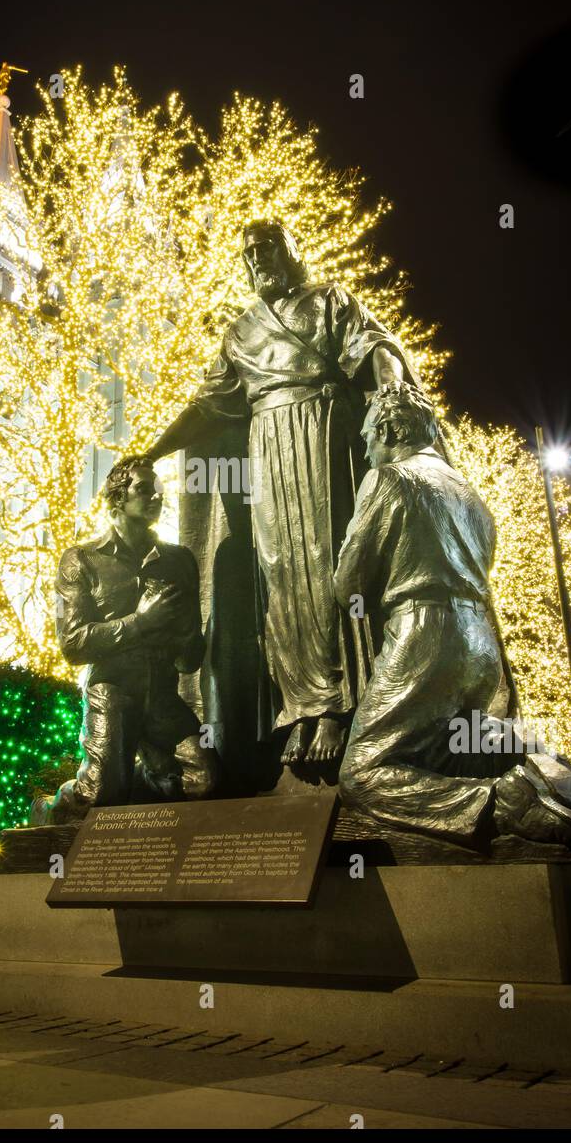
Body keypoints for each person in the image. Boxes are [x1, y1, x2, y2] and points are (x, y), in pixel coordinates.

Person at [148, 218, 415, 770]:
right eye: (247, 253)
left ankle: (342, 709)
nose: (255, 260)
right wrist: (150, 453)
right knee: (279, 572)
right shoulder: (240, 331)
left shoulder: (329, 301)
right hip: (266, 445)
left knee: (329, 560)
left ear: (289, 251)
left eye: (265, 248)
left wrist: (390, 392)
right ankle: (300, 709)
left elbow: (376, 346)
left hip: (322, 435)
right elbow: (207, 405)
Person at [333, 381, 571, 861]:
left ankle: (500, 802)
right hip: (479, 641)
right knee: (453, 752)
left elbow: (346, 584)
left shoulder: (388, 478)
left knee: (362, 773)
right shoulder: (470, 494)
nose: (366, 450)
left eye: (368, 437)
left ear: (389, 429)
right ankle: (546, 773)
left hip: (423, 632)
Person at [30, 455, 216, 824]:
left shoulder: (178, 560)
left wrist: (182, 635)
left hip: (163, 697)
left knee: (204, 783)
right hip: (113, 693)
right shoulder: (81, 559)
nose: (156, 496)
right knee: (99, 796)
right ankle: (49, 808)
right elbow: (72, 644)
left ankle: (138, 779)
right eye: (143, 489)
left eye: (159, 490)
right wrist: (141, 623)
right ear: (117, 499)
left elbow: (189, 661)